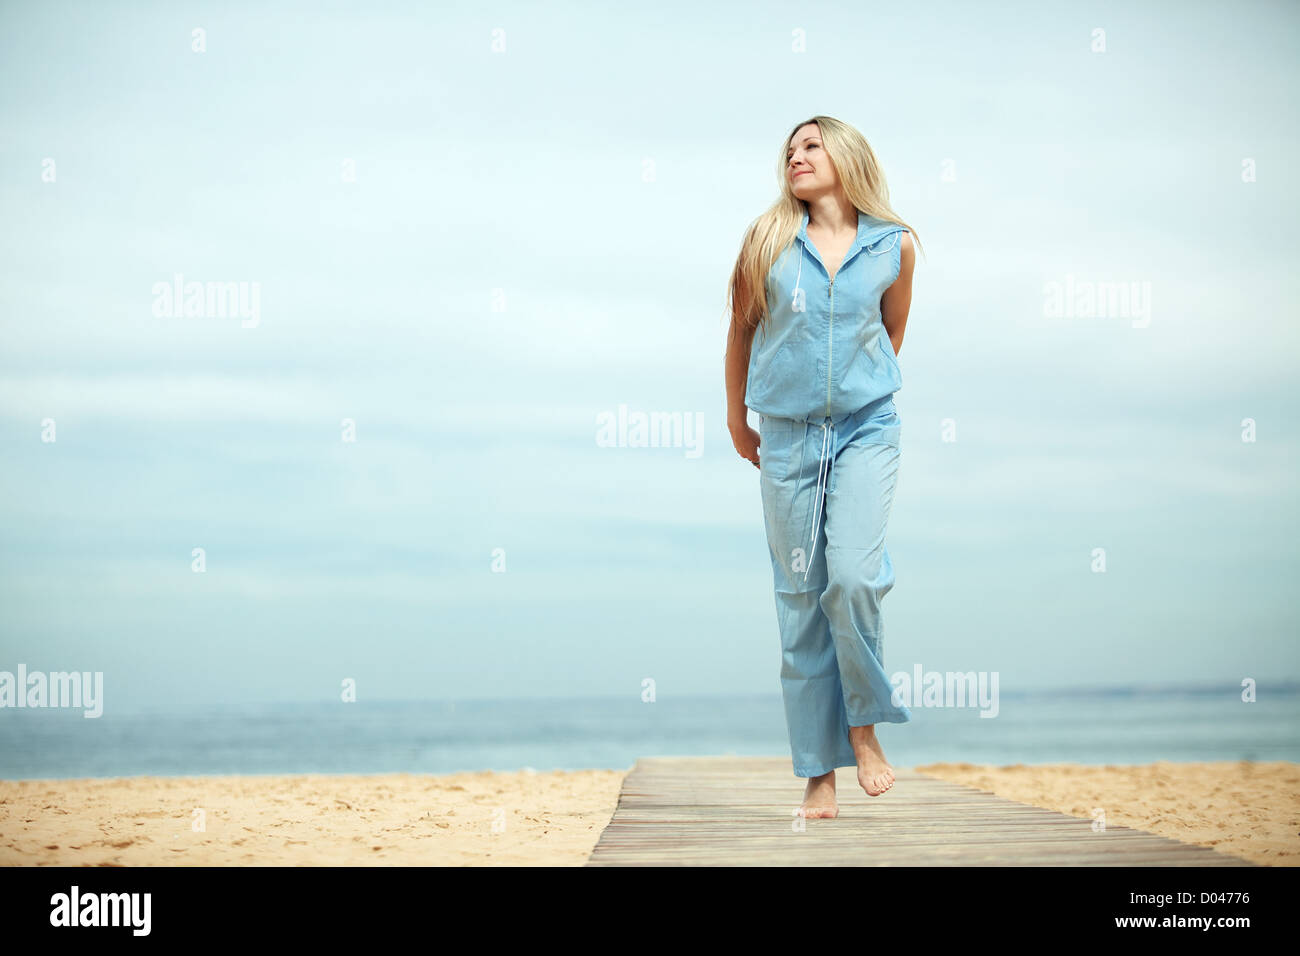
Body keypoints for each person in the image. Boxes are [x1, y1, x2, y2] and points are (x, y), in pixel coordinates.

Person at [723, 115, 922, 820]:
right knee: (801, 600)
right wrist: (735, 418)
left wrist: (856, 384)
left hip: (867, 428)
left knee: (853, 577)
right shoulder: (769, 239)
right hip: (785, 437)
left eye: (811, 145)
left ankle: (863, 729)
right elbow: (742, 329)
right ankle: (818, 770)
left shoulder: (893, 245)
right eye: (789, 151)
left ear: (848, 156)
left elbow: (888, 334)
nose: (796, 157)